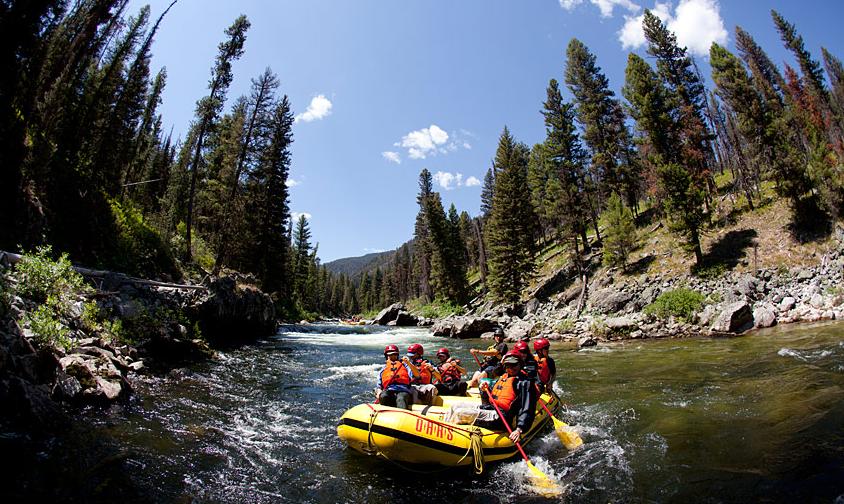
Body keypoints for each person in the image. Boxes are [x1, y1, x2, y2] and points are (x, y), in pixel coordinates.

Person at [443, 350, 535, 443]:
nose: (510, 368)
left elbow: (527, 408)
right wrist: (487, 390)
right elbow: (497, 395)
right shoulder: (504, 377)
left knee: (460, 413)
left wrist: (519, 429)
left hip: (502, 418)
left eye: (514, 365)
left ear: (520, 364)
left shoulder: (524, 383)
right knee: (456, 406)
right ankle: (443, 432)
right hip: (491, 408)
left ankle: (450, 439)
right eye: (507, 365)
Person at [377, 344, 420, 410]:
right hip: (389, 390)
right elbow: (379, 385)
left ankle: (402, 416)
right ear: (387, 356)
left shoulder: (405, 365)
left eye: (394, 354)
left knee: (401, 398)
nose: (392, 356)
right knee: (383, 396)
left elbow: (417, 375)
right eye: (390, 355)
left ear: (397, 355)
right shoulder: (383, 369)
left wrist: (408, 363)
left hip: (403, 390)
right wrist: (379, 392)